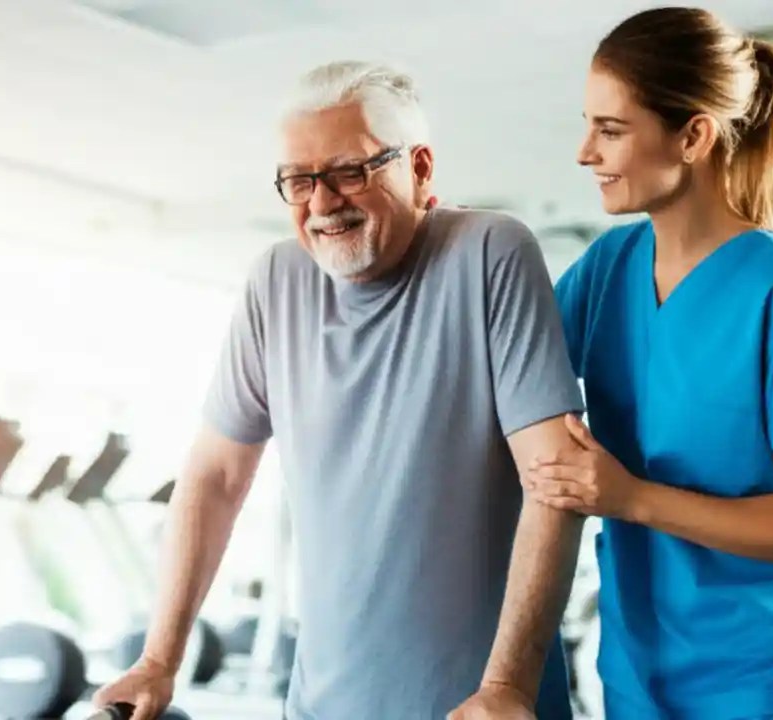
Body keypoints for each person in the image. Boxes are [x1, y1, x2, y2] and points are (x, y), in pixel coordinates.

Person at [94, 61, 587, 720]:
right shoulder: (276, 282)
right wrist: (159, 661)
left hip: (480, 706)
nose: (322, 202)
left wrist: (509, 687)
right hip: (323, 703)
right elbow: (214, 477)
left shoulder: (490, 253)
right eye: (299, 180)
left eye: (349, 171)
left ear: (418, 169)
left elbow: (556, 482)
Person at [525, 7, 773, 719]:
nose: (584, 151)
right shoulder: (607, 269)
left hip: (765, 681)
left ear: (692, 136)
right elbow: (506, 376)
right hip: (636, 677)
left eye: (611, 129)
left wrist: (631, 498)